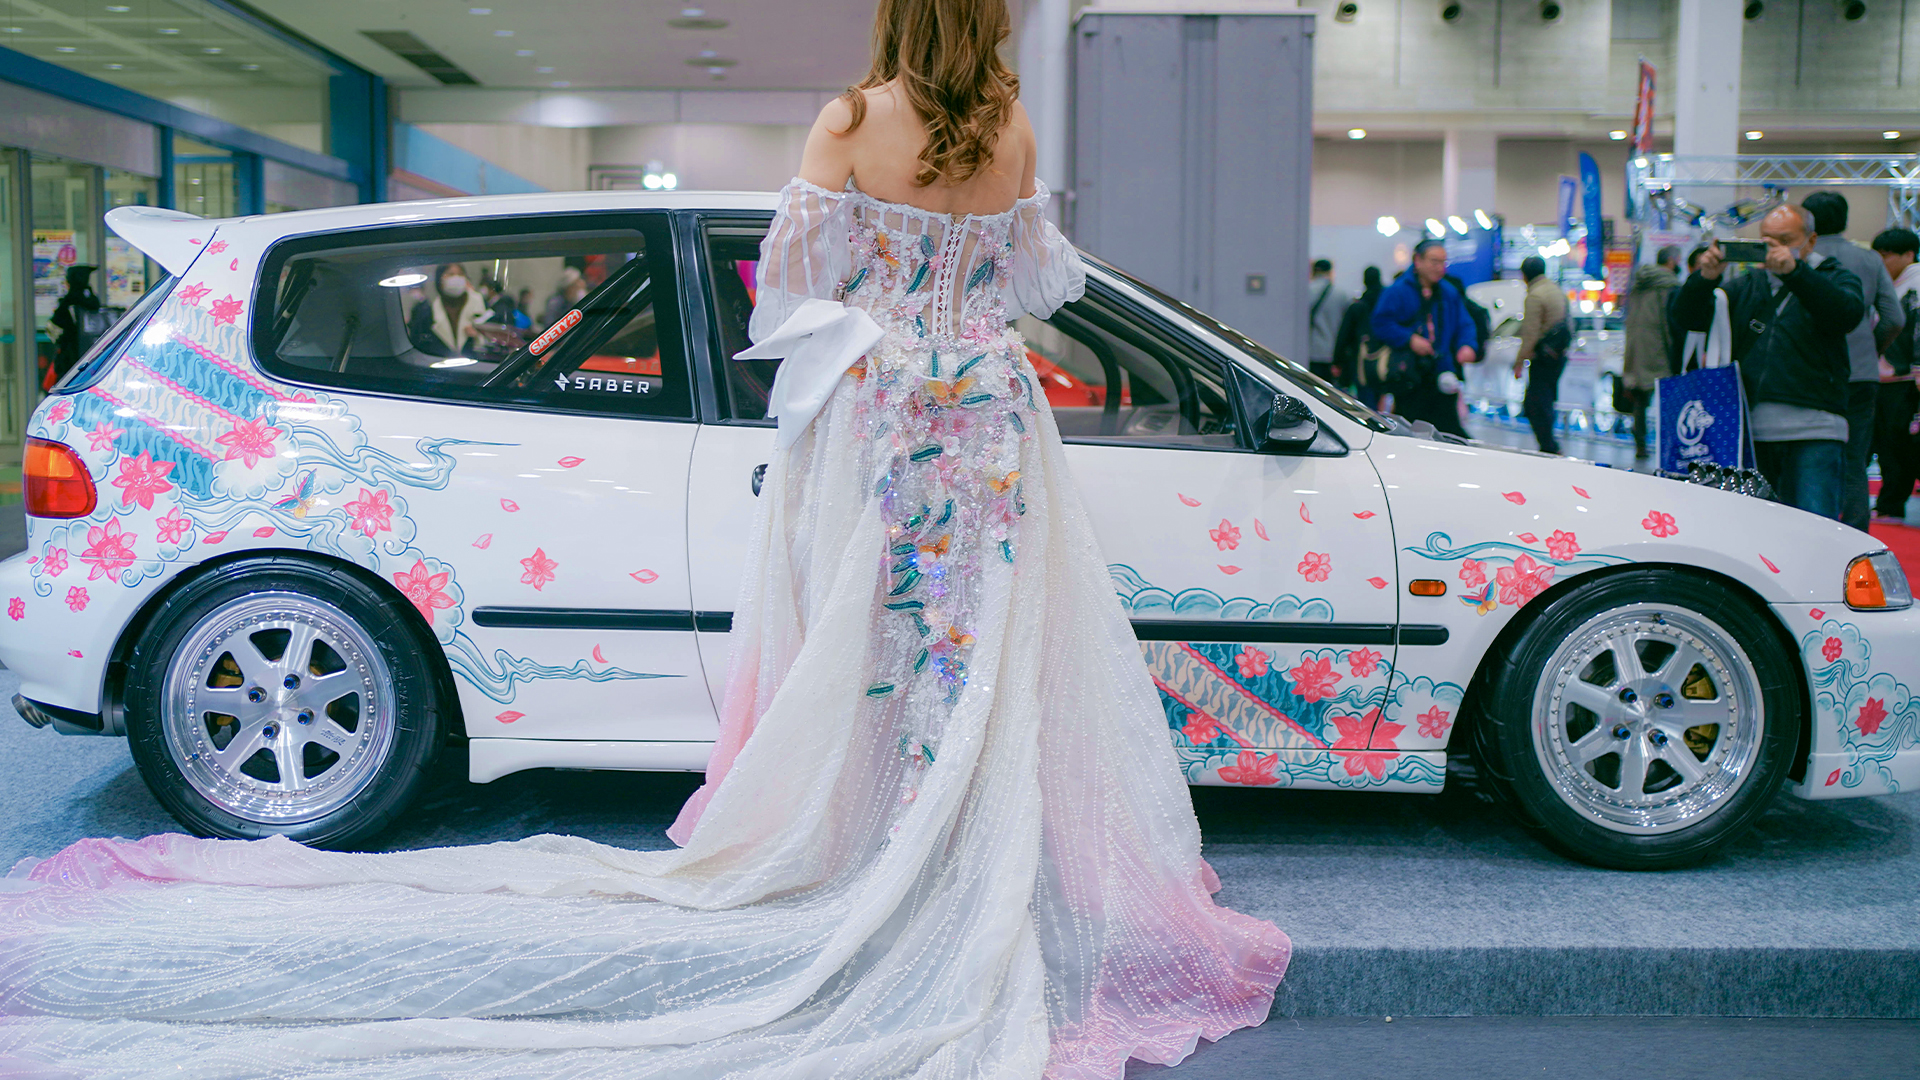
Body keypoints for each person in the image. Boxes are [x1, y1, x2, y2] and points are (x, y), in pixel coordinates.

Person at [0, 1, 1290, 1076]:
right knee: (982, 638)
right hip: (991, 415)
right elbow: (1023, 286)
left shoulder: (853, 117)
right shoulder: (1011, 126)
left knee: (868, 633)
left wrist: (870, 299)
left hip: (887, 411)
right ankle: (951, 847)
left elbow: (788, 277)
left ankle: (873, 843)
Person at [1674, 205, 1866, 519]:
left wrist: (1796, 273)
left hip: (1816, 430)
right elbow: (1687, 319)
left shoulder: (1836, 276)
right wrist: (1704, 279)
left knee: (1815, 527)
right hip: (1749, 433)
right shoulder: (1746, 285)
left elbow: (1844, 315)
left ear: (1811, 240)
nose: (1773, 248)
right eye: (1766, 240)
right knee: (1754, 528)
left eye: (1784, 239)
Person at [1804, 192, 1905, 530]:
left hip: (1809, 370)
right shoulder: (1868, 260)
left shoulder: (1798, 257)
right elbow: (1894, 318)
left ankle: (1810, 529)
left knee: (1804, 455)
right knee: (1855, 457)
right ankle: (1856, 535)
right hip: (1861, 372)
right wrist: (1870, 348)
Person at [1371, 238, 1475, 435]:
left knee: (1448, 431)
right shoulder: (1398, 291)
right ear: (1417, 261)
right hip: (1410, 377)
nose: (1440, 268)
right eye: (1434, 261)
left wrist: (1467, 345)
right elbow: (1380, 323)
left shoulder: (1448, 293)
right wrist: (1409, 339)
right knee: (1410, 430)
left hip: (1442, 375)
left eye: (1443, 262)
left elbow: (1465, 323)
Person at [1872, 226, 1920, 521]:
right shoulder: (1892, 282)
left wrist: (1917, 368)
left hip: (1906, 380)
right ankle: (1889, 504)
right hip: (1884, 378)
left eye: (1886, 256)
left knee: (1899, 444)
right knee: (1887, 443)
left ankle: (1891, 504)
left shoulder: (1915, 286)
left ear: (1908, 255)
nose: (1881, 261)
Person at [1621, 245, 1682, 459]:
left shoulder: (1638, 283)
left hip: (1637, 346)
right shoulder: (1669, 285)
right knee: (1669, 397)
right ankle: (1672, 446)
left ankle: (1640, 445)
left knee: (1640, 400)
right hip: (1658, 346)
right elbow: (1670, 321)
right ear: (1673, 261)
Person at [1513, 255, 1572, 454]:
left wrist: (1519, 361)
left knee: (1535, 404)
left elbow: (1530, 333)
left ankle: (1548, 446)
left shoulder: (1535, 296)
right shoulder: (1556, 290)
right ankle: (1549, 444)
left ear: (1525, 275)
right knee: (1546, 400)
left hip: (1542, 358)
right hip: (1558, 356)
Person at [405, 262, 489, 358]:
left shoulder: (481, 307)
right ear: (440, 279)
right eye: (451, 274)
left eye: (460, 274)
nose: (456, 278)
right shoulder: (426, 314)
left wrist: (478, 337)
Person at [1334, 264, 1385, 402]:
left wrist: (1337, 361)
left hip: (1360, 359)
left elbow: (1344, 335)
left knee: (1364, 399)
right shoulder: (1386, 302)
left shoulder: (1358, 306)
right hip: (1385, 359)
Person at [47, 264, 103, 387]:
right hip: (94, 357)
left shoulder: (67, 302)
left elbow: (53, 328)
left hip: (71, 359)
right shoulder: (92, 302)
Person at [1306, 257, 1350, 383]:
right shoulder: (1341, 294)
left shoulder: (1306, 291)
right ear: (1330, 272)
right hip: (1333, 352)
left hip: (1311, 350)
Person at [542, 264, 589, 328]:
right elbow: (549, 324)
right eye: (576, 283)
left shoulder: (579, 297)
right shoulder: (555, 302)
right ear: (569, 286)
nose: (580, 284)